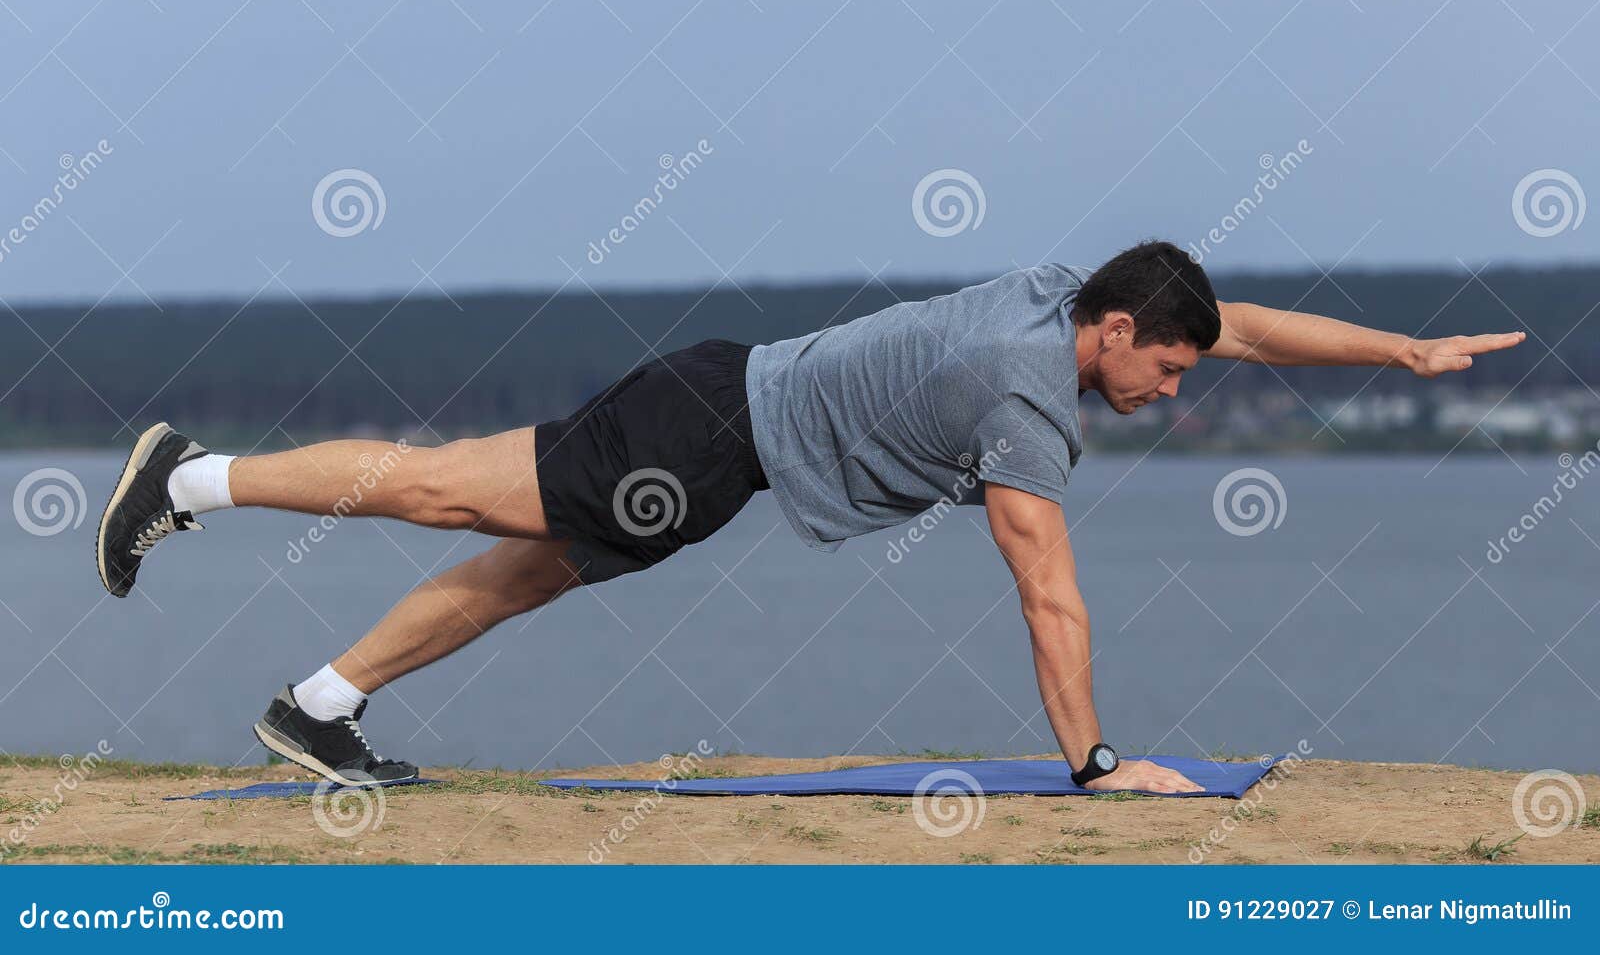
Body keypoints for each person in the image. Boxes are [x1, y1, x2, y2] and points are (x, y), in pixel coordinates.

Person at [93, 240, 1526, 791]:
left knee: (519, 572)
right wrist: (1093, 763)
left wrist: (1398, 350)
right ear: (1108, 333)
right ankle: (189, 478)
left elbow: (1248, 324)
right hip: (705, 436)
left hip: (722, 429)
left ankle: (319, 703)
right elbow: (1048, 588)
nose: (1175, 384)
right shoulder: (1026, 398)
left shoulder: (1071, 288)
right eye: (1162, 365)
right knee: (440, 484)